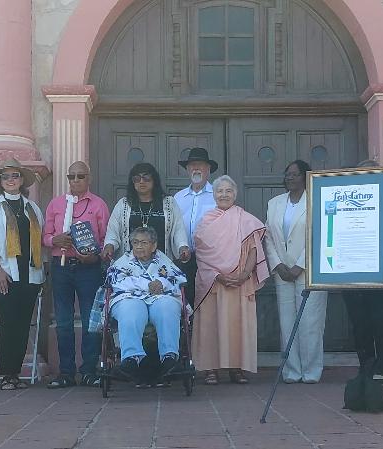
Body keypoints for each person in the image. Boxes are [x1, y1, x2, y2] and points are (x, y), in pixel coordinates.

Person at [193, 175, 269, 385]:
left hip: (239, 281)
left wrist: (244, 274)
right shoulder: (206, 221)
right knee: (211, 325)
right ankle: (210, 370)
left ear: (235, 194)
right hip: (214, 282)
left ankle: (237, 368)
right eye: (220, 191)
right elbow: (202, 253)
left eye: (228, 191)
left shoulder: (246, 219)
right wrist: (219, 275)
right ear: (214, 195)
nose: (224, 195)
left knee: (237, 324)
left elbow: (254, 248)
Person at [0, 159, 45, 391]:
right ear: (0, 181)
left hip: (30, 274)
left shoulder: (32, 208)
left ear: (22, 179)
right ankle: (7, 373)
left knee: (23, 323)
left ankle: (16, 372)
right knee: (8, 321)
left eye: (15, 175)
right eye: (5, 177)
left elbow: (40, 240)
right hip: (3, 272)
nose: (10, 180)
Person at [43, 161, 109, 388]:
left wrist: (95, 255)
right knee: (63, 320)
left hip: (88, 268)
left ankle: (89, 370)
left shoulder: (98, 205)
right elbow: (46, 236)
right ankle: (66, 372)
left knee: (91, 319)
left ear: (88, 178)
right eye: (72, 177)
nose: (76, 180)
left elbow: (105, 239)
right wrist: (55, 240)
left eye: (80, 176)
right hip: (61, 265)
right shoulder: (56, 204)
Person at [264, 160, 328, 384]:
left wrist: (300, 265)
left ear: (305, 176)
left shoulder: (317, 200)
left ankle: (311, 371)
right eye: (287, 174)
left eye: (294, 174)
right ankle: (291, 371)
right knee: (287, 323)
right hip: (282, 272)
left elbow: (320, 235)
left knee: (310, 323)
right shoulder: (274, 203)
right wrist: (278, 265)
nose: (289, 178)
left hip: (308, 271)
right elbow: (268, 237)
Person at [106, 227, 186, 384]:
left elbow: (180, 278)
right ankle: (130, 360)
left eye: (143, 242)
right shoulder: (123, 262)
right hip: (130, 298)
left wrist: (162, 283)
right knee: (131, 310)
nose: (139, 246)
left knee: (167, 307)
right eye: (135, 242)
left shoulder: (164, 261)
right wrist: (147, 284)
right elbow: (114, 281)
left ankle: (169, 359)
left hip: (160, 297)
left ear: (154, 245)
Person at [341, 160, 383, 383]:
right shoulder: (343, 198)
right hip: (350, 271)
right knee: (359, 322)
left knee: (380, 320)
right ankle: (366, 365)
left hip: (377, 271)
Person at [101, 162, 190, 264]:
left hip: (161, 266)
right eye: (137, 179)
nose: (141, 181)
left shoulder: (169, 203)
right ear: (132, 182)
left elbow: (178, 230)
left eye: (146, 177)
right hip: (130, 267)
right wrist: (109, 245)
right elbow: (113, 231)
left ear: (154, 180)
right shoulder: (123, 204)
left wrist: (182, 246)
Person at [173, 148, 218, 307]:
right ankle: (189, 332)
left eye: (200, 165)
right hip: (184, 259)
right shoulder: (178, 198)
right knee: (186, 303)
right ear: (187, 169)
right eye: (192, 165)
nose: (196, 168)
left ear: (209, 169)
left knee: (208, 303)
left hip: (210, 260)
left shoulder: (218, 196)